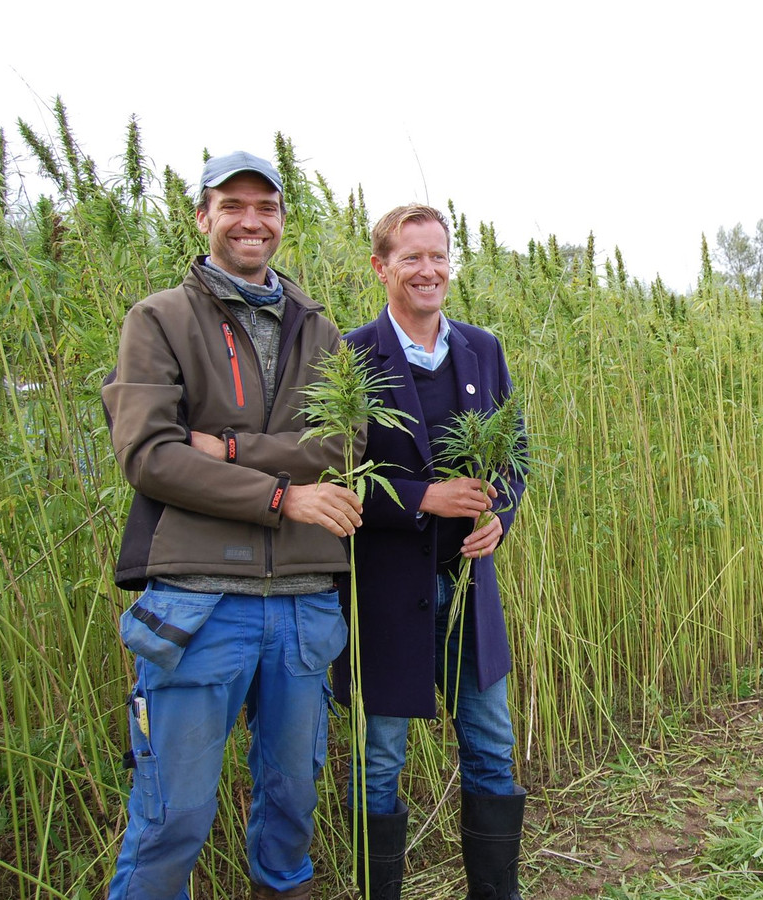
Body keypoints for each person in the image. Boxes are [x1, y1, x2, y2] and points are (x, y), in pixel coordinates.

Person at [101, 151, 365, 900]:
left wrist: (224, 447)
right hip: (198, 604)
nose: (252, 221)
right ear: (203, 217)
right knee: (171, 815)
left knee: (292, 807)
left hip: (305, 602)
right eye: (232, 205)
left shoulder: (320, 328)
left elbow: (346, 445)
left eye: (267, 207)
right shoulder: (159, 319)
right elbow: (151, 454)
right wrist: (285, 496)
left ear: (283, 219)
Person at [333, 205, 526, 900]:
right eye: (411, 257)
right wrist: (423, 498)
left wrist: (498, 514)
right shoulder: (350, 357)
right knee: (379, 759)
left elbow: (514, 456)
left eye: (438, 256)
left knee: (491, 747)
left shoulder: (483, 349)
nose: (428, 270)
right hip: (386, 596)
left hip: (470, 591)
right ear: (381, 266)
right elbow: (332, 482)